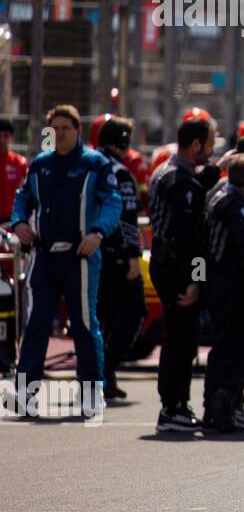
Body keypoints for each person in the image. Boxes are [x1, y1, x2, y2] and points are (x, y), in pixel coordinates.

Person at [8, 106, 122, 414]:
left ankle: (91, 393)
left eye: (65, 128)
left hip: (80, 256)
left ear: (77, 130)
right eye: (54, 128)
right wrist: (18, 222)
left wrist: (97, 233)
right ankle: (25, 393)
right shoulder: (40, 165)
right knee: (35, 324)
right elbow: (23, 197)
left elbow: (113, 202)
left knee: (85, 324)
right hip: (44, 256)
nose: (59, 134)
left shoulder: (95, 165)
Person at [148, 114, 215, 432]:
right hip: (177, 267)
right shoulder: (181, 182)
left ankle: (177, 404)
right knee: (181, 338)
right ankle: (171, 407)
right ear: (196, 144)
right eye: (209, 144)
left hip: (168, 263)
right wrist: (195, 281)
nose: (211, 152)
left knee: (183, 336)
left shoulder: (168, 170)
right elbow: (187, 238)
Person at [201, 153, 244, 433]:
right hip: (230, 283)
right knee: (233, 345)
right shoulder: (234, 201)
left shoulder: (218, 192)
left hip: (216, 280)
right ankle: (223, 406)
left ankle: (216, 406)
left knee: (223, 345)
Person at [94, 116, 146, 402]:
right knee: (134, 310)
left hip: (84, 253)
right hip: (113, 255)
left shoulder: (83, 166)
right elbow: (127, 216)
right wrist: (132, 256)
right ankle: (106, 368)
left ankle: (97, 375)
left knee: (98, 316)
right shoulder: (120, 172)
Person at [0, 118, 27, 375]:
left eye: (6, 135)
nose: (2, 139)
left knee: (16, 290)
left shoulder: (19, 164)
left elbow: (26, 195)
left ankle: (12, 349)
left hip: (12, 231)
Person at [0, 118, 28, 223]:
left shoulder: (20, 162)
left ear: (11, 138)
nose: (1, 140)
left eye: (5, 136)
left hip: (13, 223)